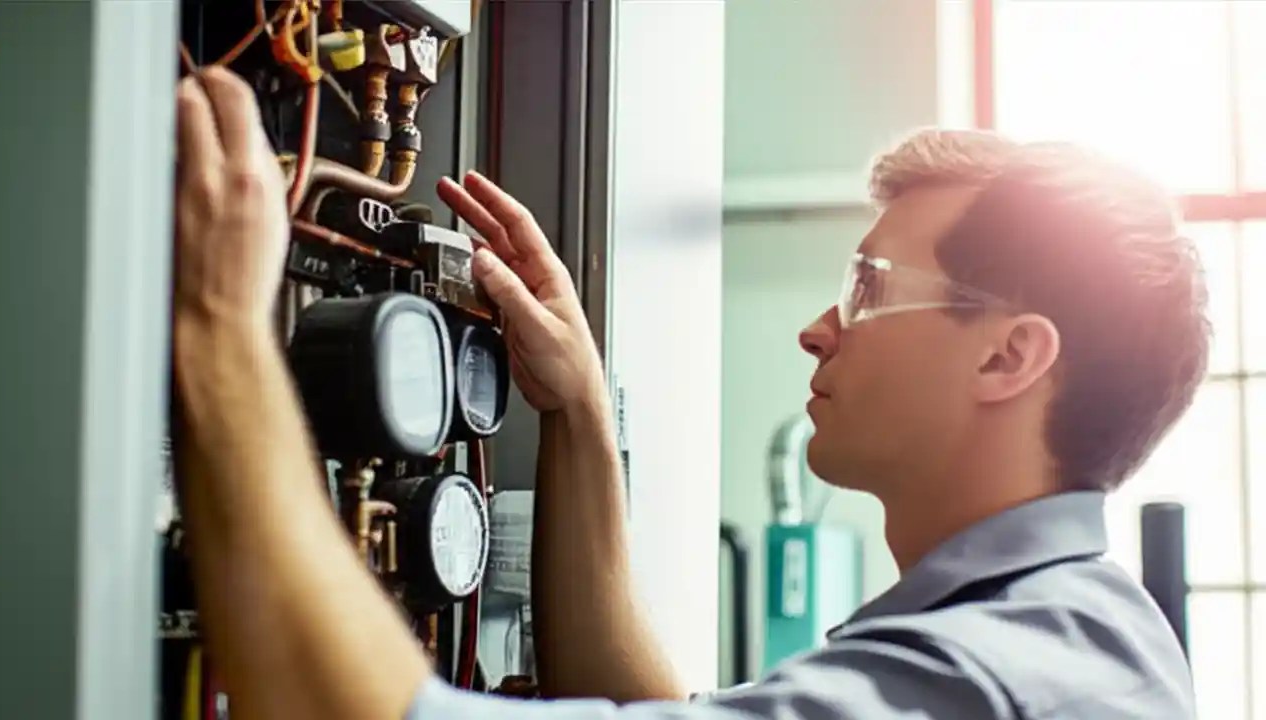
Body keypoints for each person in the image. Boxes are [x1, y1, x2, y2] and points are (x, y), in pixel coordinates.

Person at [173, 66, 1206, 720]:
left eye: (867, 288)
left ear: (1006, 359)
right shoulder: (1072, 629)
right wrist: (577, 415)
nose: (819, 327)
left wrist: (221, 327)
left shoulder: (981, 682)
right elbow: (652, 711)